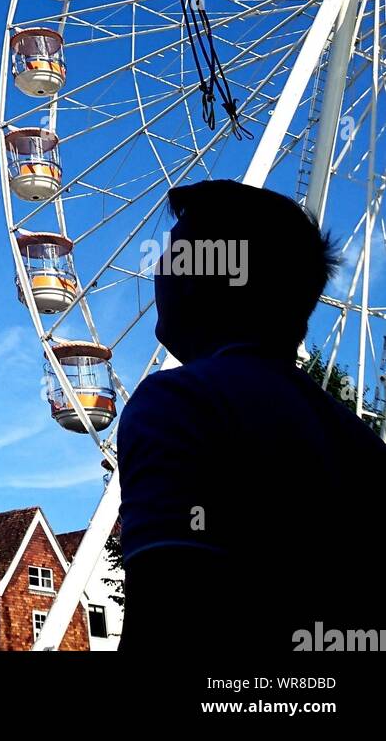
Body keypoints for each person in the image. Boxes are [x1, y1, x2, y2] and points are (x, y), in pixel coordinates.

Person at [117, 179, 386, 653]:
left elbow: (169, 614)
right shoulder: (362, 445)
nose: (157, 268)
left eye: (176, 256)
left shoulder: (179, 405)